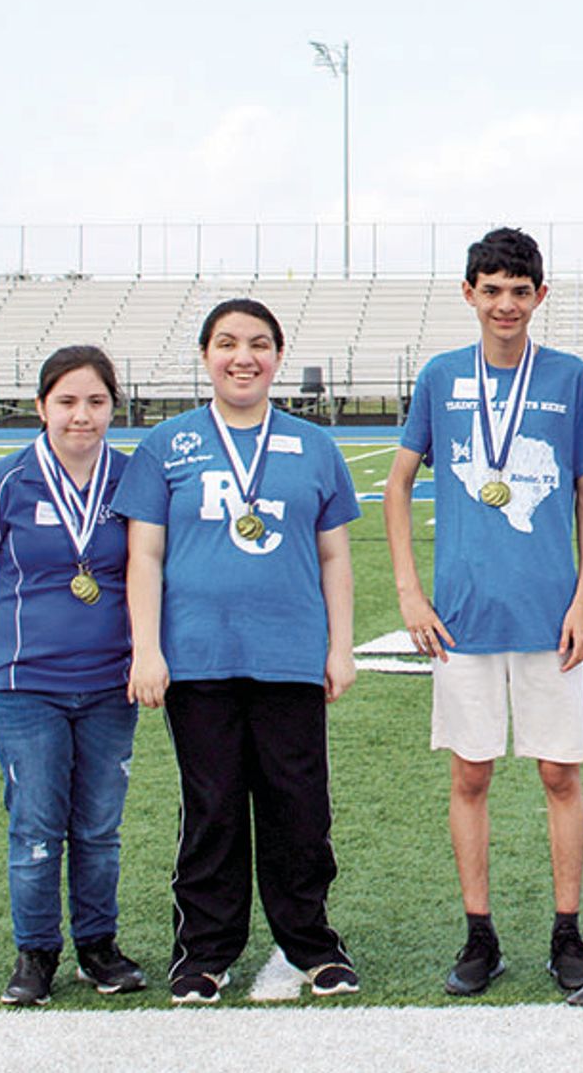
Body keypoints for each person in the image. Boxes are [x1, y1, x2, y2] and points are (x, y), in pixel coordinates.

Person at [113, 298, 361, 1004]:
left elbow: (335, 555)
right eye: (227, 343)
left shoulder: (314, 446)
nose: (242, 356)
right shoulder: (168, 444)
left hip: (289, 656)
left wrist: (340, 647)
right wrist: (146, 648)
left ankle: (312, 942)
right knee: (212, 809)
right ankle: (203, 950)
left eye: (258, 343)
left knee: (299, 810)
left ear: (278, 357)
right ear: (205, 355)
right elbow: (146, 555)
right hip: (197, 658)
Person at [383, 227, 583, 996]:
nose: (505, 303)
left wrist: (581, 599)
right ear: (469, 293)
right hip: (463, 619)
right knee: (470, 774)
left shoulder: (572, 377)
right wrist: (411, 591)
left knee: (559, 774)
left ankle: (568, 933)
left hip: (549, 617)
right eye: (492, 288)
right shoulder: (442, 376)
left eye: (520, 290)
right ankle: (479, 935)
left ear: (540, 296)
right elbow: (397, 484)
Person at [0, 346, 146, 1005]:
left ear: (113, 407)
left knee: (97, 825)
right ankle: (35, 951)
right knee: (36, 824)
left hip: (111, 684)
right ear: (41, 407)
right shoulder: (6, 480)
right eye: (66, 401)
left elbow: (150, 569)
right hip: (24, 685)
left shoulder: (133, 477)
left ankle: (98, 945)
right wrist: (21, 619)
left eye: (95, 401)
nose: (81, 416)